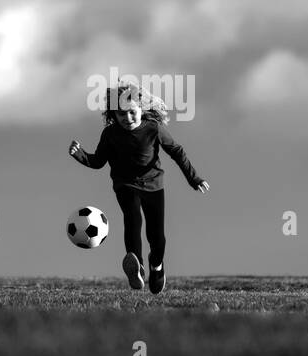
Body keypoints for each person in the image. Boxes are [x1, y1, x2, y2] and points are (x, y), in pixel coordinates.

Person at [69, 83, 209, 294]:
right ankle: (136, 266)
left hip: (154, 185)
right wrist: (80, 154)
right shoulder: (110, 134)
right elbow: (98, 161)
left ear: (142, 109)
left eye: (132, 112)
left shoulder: (154, 129)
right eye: (121, 114)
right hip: (125, 184)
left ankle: (157, 266)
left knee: (157, 237)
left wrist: (193, 178)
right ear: (113, 114)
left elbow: (177, 152)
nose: (127, 118)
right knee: (133, 218)